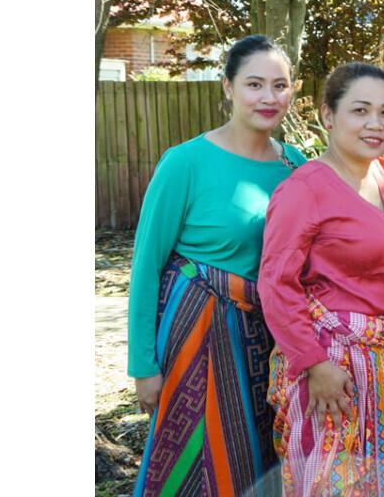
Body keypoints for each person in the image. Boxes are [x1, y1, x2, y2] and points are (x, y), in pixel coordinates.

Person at [127, 34, 306, 497]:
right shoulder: (185, 162)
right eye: (254, 84)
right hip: (197, 335)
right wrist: (143, 365)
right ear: (227, 87)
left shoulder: (297, 165)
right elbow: (146, 267)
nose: (269, 97)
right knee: (196, 463)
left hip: (270, 340)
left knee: (261, 457)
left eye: (280, 85)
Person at [258, 63, 384, 496]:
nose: (376, 124)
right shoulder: (304, 189)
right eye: (360, 110)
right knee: (328, 483)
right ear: (328, 116)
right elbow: (276, 284)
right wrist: (315, 365)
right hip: (329, 367)